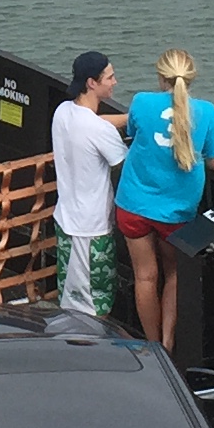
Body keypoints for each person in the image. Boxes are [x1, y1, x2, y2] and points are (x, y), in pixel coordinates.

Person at [112, 48, 214, 348]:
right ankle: (167, 342)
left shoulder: (141, 102)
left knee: (145, 277)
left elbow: (135, 132)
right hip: (177, 211)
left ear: (160, 77)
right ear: (191, 78)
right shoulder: (207, 112)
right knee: (174, 273)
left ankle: (151, 346)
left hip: (134, 204)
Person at [50, 51, 126, 317]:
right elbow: (122, 165)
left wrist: (129, 119)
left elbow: (95, 123)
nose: (114, 82)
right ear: (92, 83)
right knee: (97, 302)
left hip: (65, 220)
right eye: (110, 77)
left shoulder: (62, 112)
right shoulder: (99, 130)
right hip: (92, 229)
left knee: (71, 297)